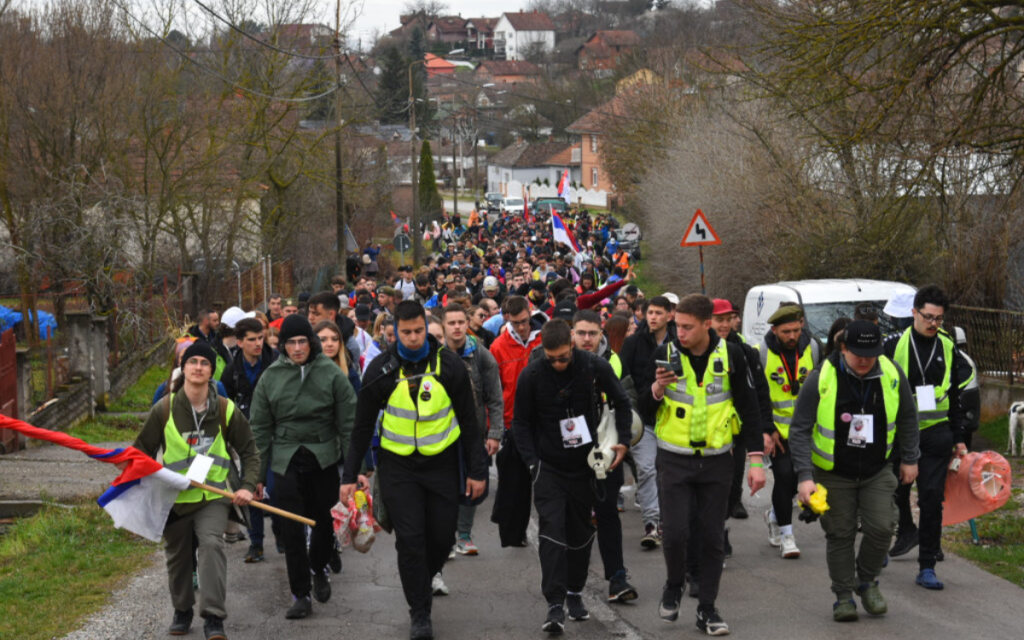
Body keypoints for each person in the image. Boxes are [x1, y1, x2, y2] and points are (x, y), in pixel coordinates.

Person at [342, 302, 486, 640]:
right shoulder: (380, 369)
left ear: (426, 327)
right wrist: (350, 475)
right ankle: (420, 613)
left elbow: (469, 419)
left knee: (441, 537)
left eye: (418, 331)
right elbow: (361, 427)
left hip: (442, 464)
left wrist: (477, 470)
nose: (411, 338)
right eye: (404, 332)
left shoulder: (449, 366)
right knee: (411, 540)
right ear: (394, 332)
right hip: (399, 468)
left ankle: (425, 575)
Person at [640, 294, 767, 636]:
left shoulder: (734, 355)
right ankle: (673, 584)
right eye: (676, 325)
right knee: (677, 533)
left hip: (716, 462)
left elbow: (749, 408)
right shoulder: (663, 354)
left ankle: (707, 609)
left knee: (713, 539)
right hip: (673, 458)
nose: (678, 333)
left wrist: (756, 460)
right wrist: (655, 390)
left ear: (707, 324)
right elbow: (641, 409)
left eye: (686, 327)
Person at [789, 320, 920, 622]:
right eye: (858, 352)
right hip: (833, 472)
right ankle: (843, 596)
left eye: (871, 353)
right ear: (843, 346)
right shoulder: (821, 377)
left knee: (883, 527)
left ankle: (867, 580)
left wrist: (910, 459)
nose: (865, 359)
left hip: (876, 469)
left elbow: (908, 419)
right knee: (840, 533)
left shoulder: (891, 374)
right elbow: (799, 429)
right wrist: (805, 477)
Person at [133, 342, 259, 640]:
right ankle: (183, 609)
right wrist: (129, 469)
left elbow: (250, 452)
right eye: (193, 362)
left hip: (213, 496)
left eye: (205, 362)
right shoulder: (163, 409)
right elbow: (140, 451)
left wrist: (248, 487)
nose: (198, 367)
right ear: (184, 368)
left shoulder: (226, 410)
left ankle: (214, 616)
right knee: (178, 557)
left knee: (212, 545)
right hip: (173, 498)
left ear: (211, 372)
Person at [513, 319, 633, 634]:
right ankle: (554, 604)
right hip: (548, 467)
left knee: (580, 535)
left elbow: (622, 403)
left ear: (571, 343)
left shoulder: (593, 367)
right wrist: (531, 464)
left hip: (586, 465)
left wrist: (621, 441)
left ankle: (574, 591)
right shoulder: (533, 374)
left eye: (563, 356)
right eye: (551, 358)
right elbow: (521, 423)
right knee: (552, 533)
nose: (557, 363)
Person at [249, 315, 357, 620]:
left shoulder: (330, 373)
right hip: (285, 457)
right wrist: (255, 477)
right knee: (292, 526)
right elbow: (259, 427)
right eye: (290, 343)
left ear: (310, 342)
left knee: (324, 521)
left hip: (323, 454)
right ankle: (300, 593)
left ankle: (318, 565)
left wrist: (355, 469)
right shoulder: (271, 377)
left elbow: (349, 422)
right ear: (282, 346)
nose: (297, 348)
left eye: (302, 342)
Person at [883, 285, 968, 589]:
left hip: (936, 435)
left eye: (939, 319)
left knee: (932, 499)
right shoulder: (893, 345)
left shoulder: (947, 346)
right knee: (890, 492)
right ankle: (881, 542)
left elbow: (955, 394)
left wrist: (959, 437)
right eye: (928, 317)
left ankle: (927, 565)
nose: (933, 324)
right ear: (914, 313)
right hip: (898, 435)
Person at [571, 310, 640, 603]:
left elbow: (627, 402)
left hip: (607, 446)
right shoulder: (556, 359)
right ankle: (571, 581)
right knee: (574, 518)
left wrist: (624, 440)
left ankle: (617, 577)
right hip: (570, 451)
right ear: (571, 333)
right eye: (581, 333)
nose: (587, 339)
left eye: (592, 333)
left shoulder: (613, 361)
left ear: (602, 334)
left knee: (608, 511)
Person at [756, 304, 822, 558]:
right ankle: (787, 535)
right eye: (786, 332)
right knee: (784, 475)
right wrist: (767, 429)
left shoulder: (814, 348)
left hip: (809, 430)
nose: (792, 336)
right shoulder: (762, 352)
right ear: (774, 331)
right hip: (779, 432)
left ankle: (773, 514)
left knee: (800, 478)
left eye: (796, 330)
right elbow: (760, 396)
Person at [441, 305, 504, 555]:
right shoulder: (435, 354)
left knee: (473, 484)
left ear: (467, 323)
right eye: (451, 323)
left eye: (460, 322)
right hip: (441, 434)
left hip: (474, 433)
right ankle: (445, 538)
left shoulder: (481, 355)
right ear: (444, 325)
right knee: (444, 486)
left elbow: (494, 398)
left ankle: (464, 536)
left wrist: (495, 434)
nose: (456, 327)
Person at [221, 318, 279, 563]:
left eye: (260, 338)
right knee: (251, 488)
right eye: (252, 339)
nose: (258, 343)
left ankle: (282, 532)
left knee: (277, 489)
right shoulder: (232, 370)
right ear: (240, 341)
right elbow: (224, 403)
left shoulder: (276, 362)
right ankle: (256, 543)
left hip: (277, 435)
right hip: (247, 439)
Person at [620, 296, 675, 549]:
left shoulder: (679, 342)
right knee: (646, 469)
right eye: (649, 312)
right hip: (643, 420)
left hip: (674, 418)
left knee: (669, 473)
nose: (652, 317)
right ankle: (651, 524)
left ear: (670, 315)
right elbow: (621, 378)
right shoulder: (632, 343)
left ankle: (669, 521)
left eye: (658, 313)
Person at [188, 309, 233, 381]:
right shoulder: (189, 338)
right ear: (206, 321)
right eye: (215, 321)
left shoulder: (218, 337)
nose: (218, 323)